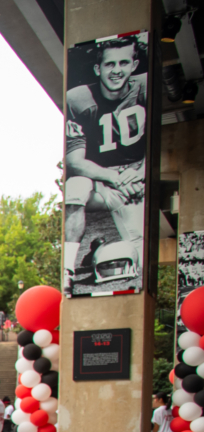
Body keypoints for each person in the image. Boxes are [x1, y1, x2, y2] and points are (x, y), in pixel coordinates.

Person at [64, 34, 147, 291]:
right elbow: (74, 161)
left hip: (134, 181)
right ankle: (67, 269)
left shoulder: (145, 88)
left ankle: (99, 249)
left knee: (140, 261)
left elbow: (158, 146)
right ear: (98, 68)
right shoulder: (78, 99)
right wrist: (114, 177)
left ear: (134, 65)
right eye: (110, 64)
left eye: (124, 63)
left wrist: (141, 175)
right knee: (75, 187)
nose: (117, 70)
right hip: (101, 183)